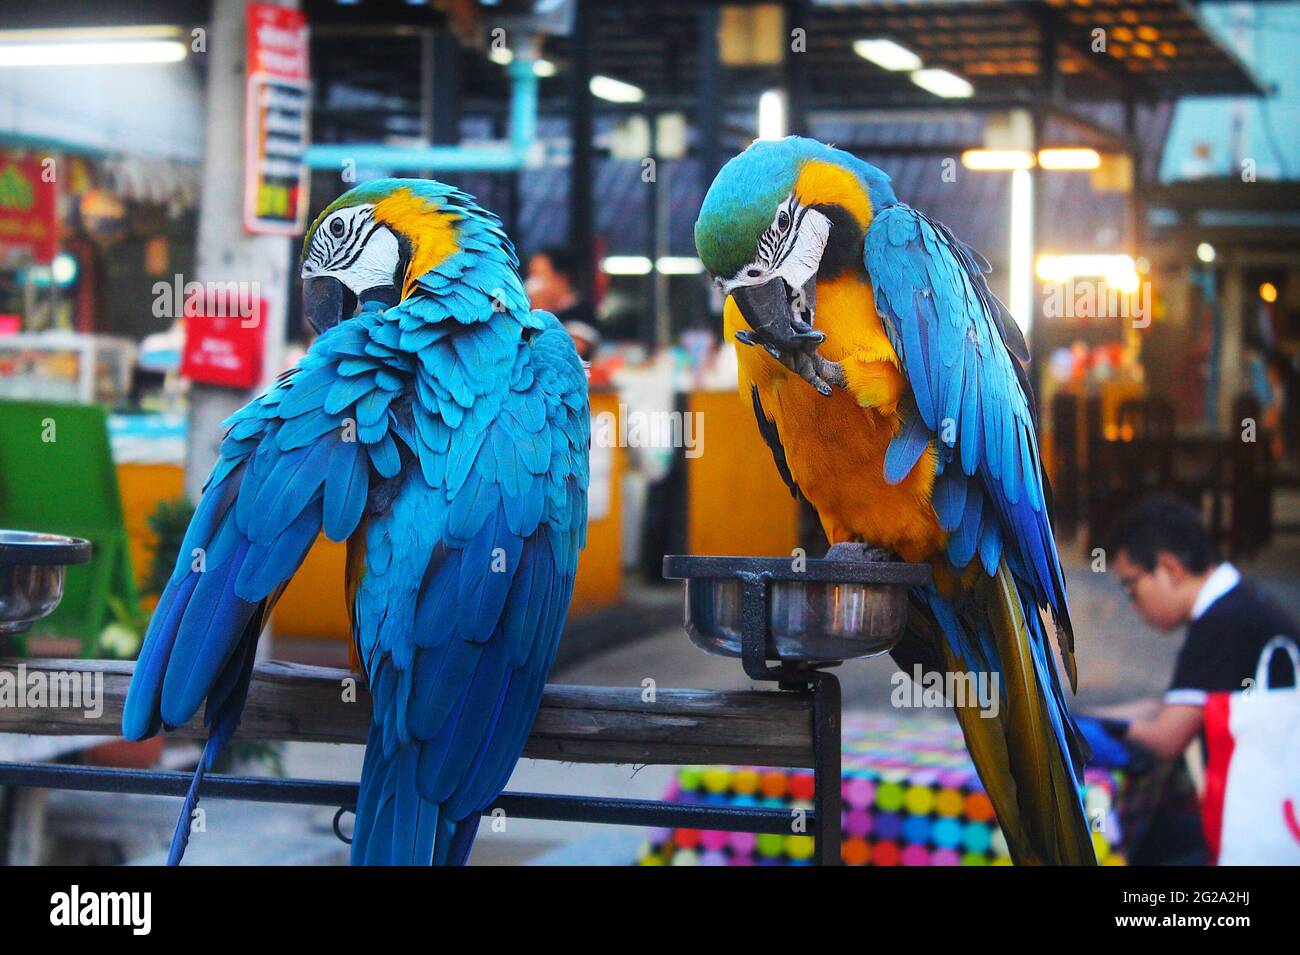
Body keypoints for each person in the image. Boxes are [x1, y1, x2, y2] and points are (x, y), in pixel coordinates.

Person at [1107, 495, 1298, 762]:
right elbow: (1171, 707)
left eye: (1130, 586)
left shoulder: (1221, 622)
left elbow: (1167, 738)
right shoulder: (1240, 601)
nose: (1132, 604)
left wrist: (1088, 732)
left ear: (1170, 568)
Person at [526, 246, 600, 361]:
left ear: (561, 278)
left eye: (538, 275)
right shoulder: (530, 313)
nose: (532, 283)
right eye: (531, 275)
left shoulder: (582, 313)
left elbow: (564, 353)